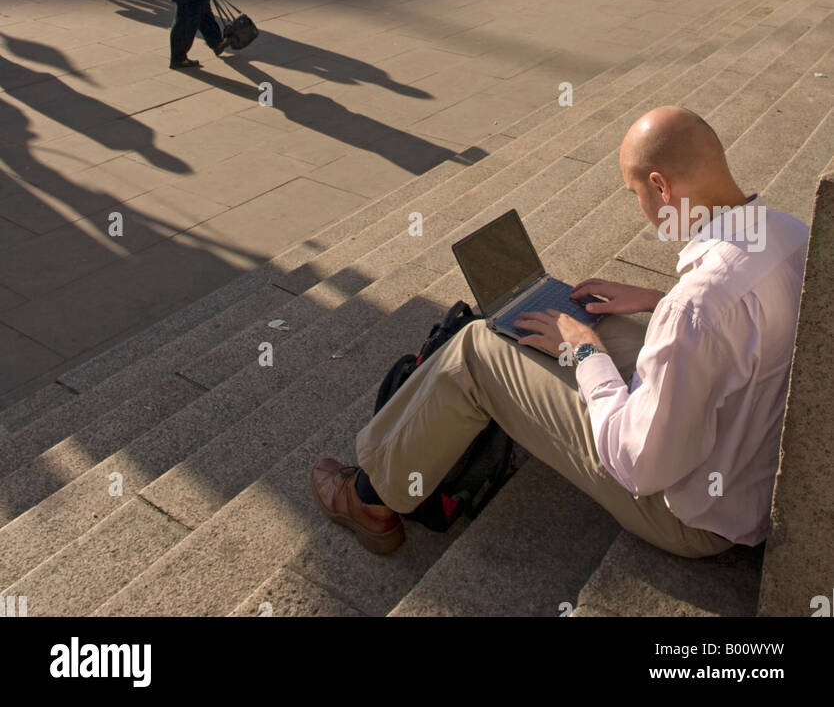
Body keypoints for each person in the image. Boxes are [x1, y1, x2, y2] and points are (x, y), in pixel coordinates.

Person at [312, 107, 809, 560]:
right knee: (592, 314)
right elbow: (739, 324)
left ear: (661, 187)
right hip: (750, 472)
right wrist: (657, 302)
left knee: (477, 349)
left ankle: (370, 500)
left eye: (636, 194)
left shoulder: (695, 307)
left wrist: (585, 353)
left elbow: (637, 464)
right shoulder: (790, 233)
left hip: (693, 516)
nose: (641, 209)